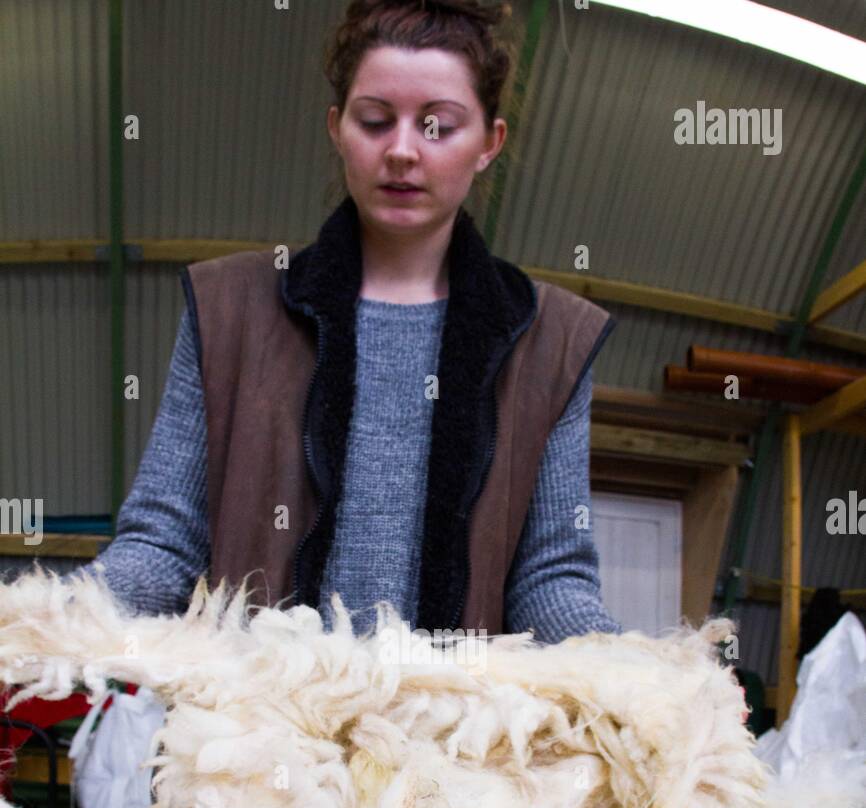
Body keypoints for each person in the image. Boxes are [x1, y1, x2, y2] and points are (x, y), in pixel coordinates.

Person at [75, 0, 621, 646]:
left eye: (438, 126)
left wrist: (637, 678)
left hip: (443, 738)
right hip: (255, 731)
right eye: (375, 120)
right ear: (337, 128)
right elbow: (164, 545)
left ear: (489, 144)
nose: (401, 151)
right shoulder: (232, 310)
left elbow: (551, 578)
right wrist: (38, 621)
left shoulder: (548, 340)